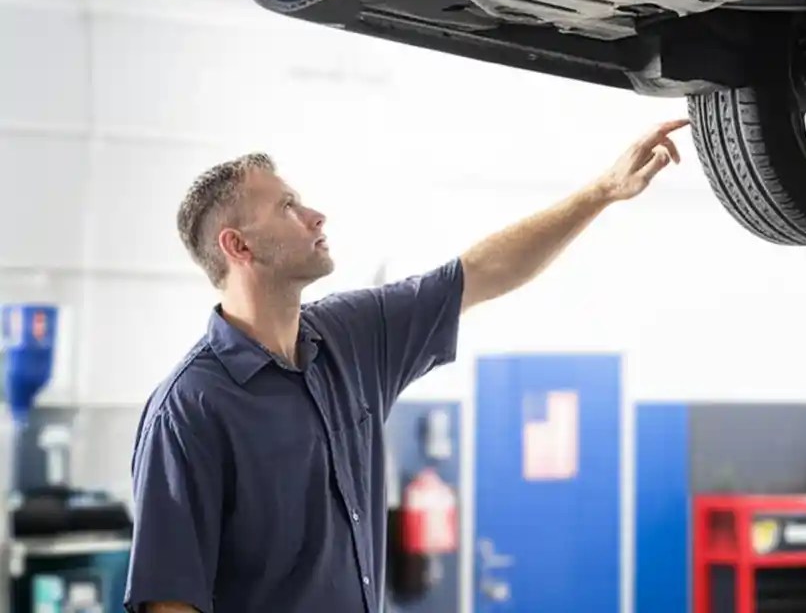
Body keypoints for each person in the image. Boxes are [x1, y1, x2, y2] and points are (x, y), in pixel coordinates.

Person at [123, 119, 689, 613]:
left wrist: (604, 190)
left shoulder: (352, 337)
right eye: (288, 206)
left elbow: (480, 272)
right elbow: (171, 600)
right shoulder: (189, 410)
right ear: (238, 247)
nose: (315, 215)